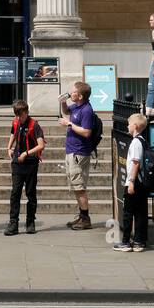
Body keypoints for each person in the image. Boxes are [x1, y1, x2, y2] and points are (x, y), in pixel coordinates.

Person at [57, 81, 95, 230]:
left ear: (79, 96)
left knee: (79, 188)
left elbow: (86, 132)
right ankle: (81, 216)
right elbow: (67, 111)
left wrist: (69, 124)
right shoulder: (77, 106)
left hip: (79, 154)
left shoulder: (86, 110)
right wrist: (63, 102)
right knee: (75, 186)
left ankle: (86, 219)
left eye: (72, 92)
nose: (70, 93)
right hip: (72, 151)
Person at [4, 99, 45, 236]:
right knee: (15, 192)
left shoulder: (34, 125)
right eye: (16, 115)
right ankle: (13, 222)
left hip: (31, 162)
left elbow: (41, 145)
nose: (18, 118)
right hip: (17, 162)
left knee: (30, 193)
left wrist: (26, 153)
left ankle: (30, 221)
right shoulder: (15, 122)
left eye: (20, 115)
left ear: (26, 112)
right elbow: (13, 134)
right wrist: (9, 147)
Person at [115, 112, 150, 253]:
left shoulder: (135, 142)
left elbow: (135, 164)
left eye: (129, 124)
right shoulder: (143, 140)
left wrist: (131, 182)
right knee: (140, 212)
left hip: (135, 182)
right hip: (141, 183)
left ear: (135, 126)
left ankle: (126, 242)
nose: (127, 126)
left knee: (128, 212)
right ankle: (139, 242)